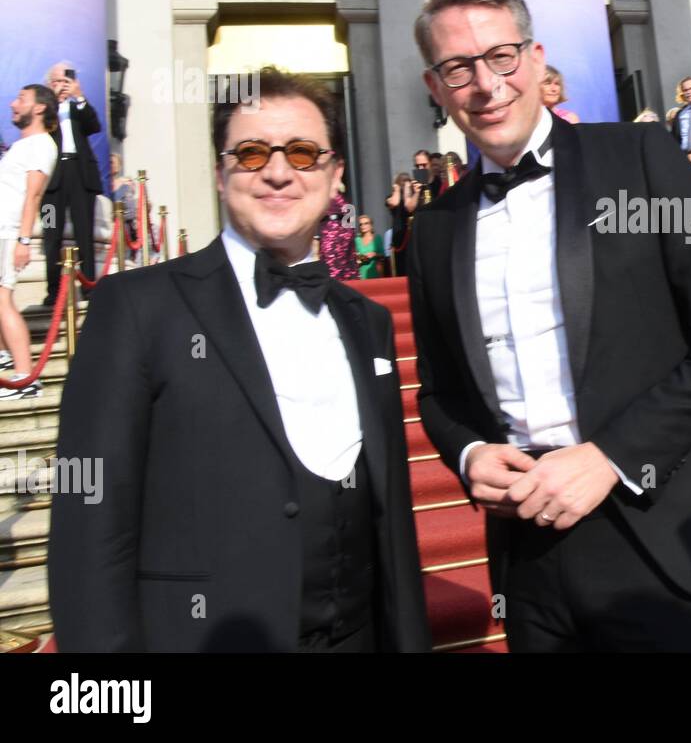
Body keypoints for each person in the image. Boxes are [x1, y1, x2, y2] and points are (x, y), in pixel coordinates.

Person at [408, 0, 691, 652]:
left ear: (535, 57)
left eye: (501, 56)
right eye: (458, 68)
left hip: (653, 526)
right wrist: (466, 453)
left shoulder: (638, 161)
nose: (487, 85)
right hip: (526, 548)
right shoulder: (434, 228)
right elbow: (436, 391)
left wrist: (612, 456)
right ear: (436, 88)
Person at [49, 67, 430, 652]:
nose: (278, 172)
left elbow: (391, 521)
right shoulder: (137, 307)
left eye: (303, 154)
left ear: (335, 176)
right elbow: (89, 523)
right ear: (221, 172)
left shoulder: (367, 321)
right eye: (252, 153)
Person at [0, 86, 59, 399]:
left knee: (2, 299)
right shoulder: (24, 145)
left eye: (21, 99)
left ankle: (26, 379)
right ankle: (6, 358)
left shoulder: (39, 144)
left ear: (39, 108)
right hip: (4, 230)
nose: (13, 103)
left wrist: (23, 240)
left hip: (9, 232)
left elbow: (34, 195)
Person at [42, 62, 104, 305]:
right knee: (51, 232)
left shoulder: (79, 107)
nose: (62, 85)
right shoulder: (44, 108)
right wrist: (53, 100)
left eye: (66, 80)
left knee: (84, 231)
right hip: (52, 177)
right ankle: (53, 290)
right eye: (57, 81)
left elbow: (94, 126)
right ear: (49, 84)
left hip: (79, 172)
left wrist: (78, 97)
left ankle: (89, 284)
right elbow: (42, 128)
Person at [318, 187, 358, 281]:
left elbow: (350, 211)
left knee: (347, 264)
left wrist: (350, 232)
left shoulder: (343, 197)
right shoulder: (321, 195)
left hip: (345, 234)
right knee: (331, 263)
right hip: (329, 232)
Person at [109, 153, 139, 266]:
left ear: (119, 166)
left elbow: (131, 211)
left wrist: (116, 215)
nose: (110, 165)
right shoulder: (102, 184)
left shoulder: (126, 185)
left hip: (122, 229)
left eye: (113, 162)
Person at [355, 213, 384, 279]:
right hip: (361, 273)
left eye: (366, 223)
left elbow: (383, 256)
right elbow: (354, 258)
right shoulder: (357, 240)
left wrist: (375, 254)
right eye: (361, 224)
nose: (363, 226)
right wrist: (361, 258)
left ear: (371, 225)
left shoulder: (377, 238)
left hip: (375, 272)